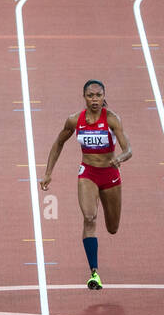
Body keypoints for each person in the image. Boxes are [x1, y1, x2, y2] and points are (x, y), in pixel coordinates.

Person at [39, 80, 133, 290]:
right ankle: (94, 273)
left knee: (112, 228)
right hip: (88, 173)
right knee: (89, 218)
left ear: (103, 97)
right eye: (90, 96)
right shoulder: (75, 120)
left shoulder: (112, 119)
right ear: (84, 97)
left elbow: (129, 149)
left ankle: (97, 262)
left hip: (110, 175)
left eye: (98, 96)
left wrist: (121, 158)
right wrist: (48, 173)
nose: (94, 100)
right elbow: (58, 143)